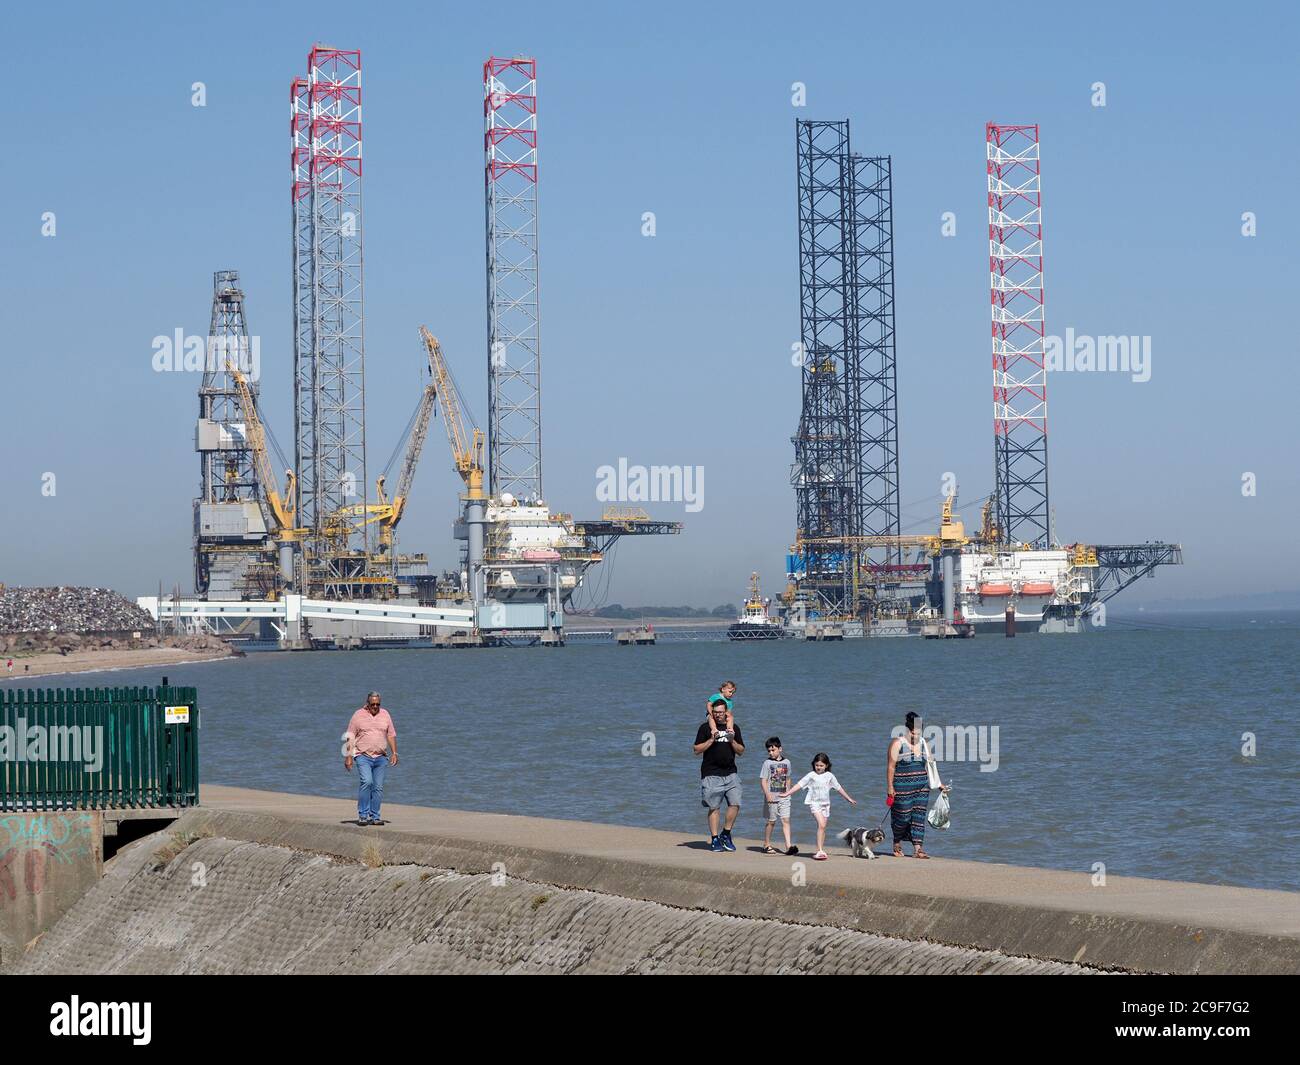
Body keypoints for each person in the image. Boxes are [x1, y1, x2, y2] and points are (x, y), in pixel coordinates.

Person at [887, 712, 949, 858]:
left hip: (922, 787)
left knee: (918, 817)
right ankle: (897, 842)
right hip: (901, 787)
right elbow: (890, 767)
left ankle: (918, 849)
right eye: (914, 733)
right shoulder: (897, 743)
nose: (916, 736)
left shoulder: (924, 744)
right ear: (908, 729)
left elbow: (931, 765)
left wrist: (939, 784)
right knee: (902, 816)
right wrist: (890, 787)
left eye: (919, 732)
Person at [693, 697, 745, 852]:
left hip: (731, 773)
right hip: (711, 773)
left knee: (735, 803)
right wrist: (711, 740)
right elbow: (696, 750)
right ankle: (715, 839)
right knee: (714, 807)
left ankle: (726, 834)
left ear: (726, 712)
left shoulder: (733, 727)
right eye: (715, 713)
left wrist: (732, 740)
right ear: (712, 713)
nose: (718, 715)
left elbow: (741, 751)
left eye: (721, 712)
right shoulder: (705, 728)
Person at [781, 752, 855, 861]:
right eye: (817, 765)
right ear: (813, 765)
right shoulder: (811, 775)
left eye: (821, 765)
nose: (819, 767)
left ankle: (821, 849)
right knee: (821, 824)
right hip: (814, 803)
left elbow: (839, 788)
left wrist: (848, 798)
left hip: (826, 804)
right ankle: (819, 850)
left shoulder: (830, 776)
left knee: (823, 827)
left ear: (826, 765)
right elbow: (799, 784)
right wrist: (788, 793)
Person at [344, 692, 399, 825]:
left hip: (381, 757)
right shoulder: (358, 715)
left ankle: (375, 816)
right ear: (367, 704)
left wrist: (395, 753)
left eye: (378, 704)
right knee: (367, 782)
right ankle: (363, 815)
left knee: (378, 787)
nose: (375, 706)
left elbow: (391, 735)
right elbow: (350, 736)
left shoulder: (385, 714)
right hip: (363, 755)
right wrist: (348, 756)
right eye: (373, 704)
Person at [759, 737, 797, 855]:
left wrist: (788, 792)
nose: (771, 752)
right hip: (771, 798)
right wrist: (768, 795)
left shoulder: (787, 762)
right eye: (769, 751)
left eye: (773, 750)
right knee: (772, 821)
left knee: (786, 820)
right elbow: (763, 781)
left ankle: (788, 846)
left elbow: (788, 778)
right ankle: (766, 844)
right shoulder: (767, 763)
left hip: (784, 797)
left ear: (780, 749)